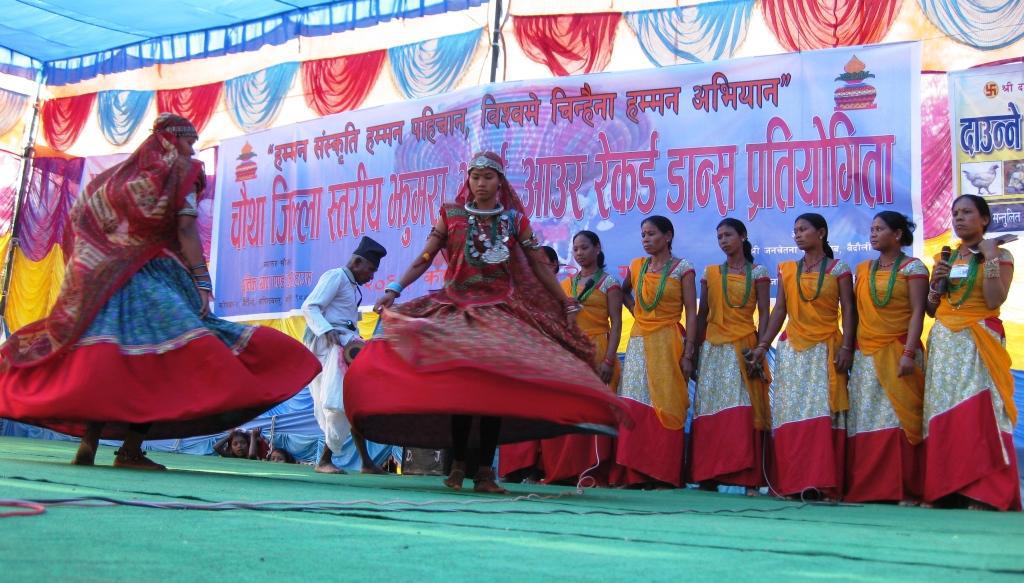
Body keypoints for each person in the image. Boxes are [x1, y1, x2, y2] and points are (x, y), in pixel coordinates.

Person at [0, 114, 320, 470]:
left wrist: (100, 266)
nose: (193, 149)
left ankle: (88, 446)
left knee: (110, 361)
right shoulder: (181, 172)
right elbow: (185, 228)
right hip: (154, 280)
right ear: (177, 140)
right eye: (190, 142)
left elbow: (82, 220)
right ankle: (130, 450)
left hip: (108, 285)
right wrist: (201, 279)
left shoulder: (118, 180)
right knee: (165, 362)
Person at [346, 151, 627, 494]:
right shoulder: (451, 215)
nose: (481, 183)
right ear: (469, 180)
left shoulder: (512, 220)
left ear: (500, 182)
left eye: (488, 177)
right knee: (463, 387)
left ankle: (483, 472)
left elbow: (538, 264)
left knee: (494, 390)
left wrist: (564, 300)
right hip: (456, 308)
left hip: (499, 312)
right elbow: (425, 256)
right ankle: (458, 465)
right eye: (475, 177)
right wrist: (393, 289)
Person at [922, 195, 1020, 511]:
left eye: (967, 212)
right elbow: (931, 310)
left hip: (980, 340)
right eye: (955, 213)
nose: (959, 218)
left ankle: (986, 493)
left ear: (985, 219)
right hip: (946, 344)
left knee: (981, 414)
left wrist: (989, 258)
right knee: (946, 416)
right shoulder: (946, 258)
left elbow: (994, 300)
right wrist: (936, 286)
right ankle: (947, 489)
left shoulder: (1000, 254)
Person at [748, 213, 854, 499]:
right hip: (793, 350)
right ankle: (791, 483)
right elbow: (780, 309)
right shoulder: (787, 270)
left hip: (826, 350)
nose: (797, 235)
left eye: (803, 229)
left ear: (821, 233)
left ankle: (822, 484)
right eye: (794, 230)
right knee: (791, 413)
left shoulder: (839, 269)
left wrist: (847, 348)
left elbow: (849, 311)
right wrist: (762, 345)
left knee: (822, 413)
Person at [845, 212, 928, 504]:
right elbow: (854, 313)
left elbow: (919, 311)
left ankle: (905, 489)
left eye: (879, 229)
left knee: (900, 417)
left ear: (897, 234)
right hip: (866, 354)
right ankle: (869, 489)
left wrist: (907, 352)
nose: (873, 234)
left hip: (899, 351)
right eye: (871, 229)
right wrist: (849, 348)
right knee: (865, 418)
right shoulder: (863, 269)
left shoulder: (913, 267)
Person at [613, 216, 696, 488]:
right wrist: (638, 313)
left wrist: (689, 353)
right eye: (643, 235)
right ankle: (634, 474)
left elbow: (692, 314)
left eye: (651, 234)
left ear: (668, 236)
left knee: (667, 402)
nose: (646, 239)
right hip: (638, 342)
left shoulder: (683, 268)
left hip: (669, 341)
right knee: (636, 402)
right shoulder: (638, 266)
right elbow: (622, 293)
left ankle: (663, 474)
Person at [691, 218, 771, 495]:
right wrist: (693, 351)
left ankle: (749, 480)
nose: (723, 240)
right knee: (710, 410)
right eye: (719, 237)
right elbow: (702, 315)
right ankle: (708, 476)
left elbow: (765, 313)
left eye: (728, 235)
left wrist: (760, 349)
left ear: (743, 236)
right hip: (713, 349)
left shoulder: (758, 272)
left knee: (743, 410)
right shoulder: (711, 272)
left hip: (744, 349)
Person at [541, 232, 623, 485]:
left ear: (597, 248)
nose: (579, 253)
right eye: (575, 249)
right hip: (573, 352)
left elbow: (617, 323)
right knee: (570, 412)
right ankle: (565, 470)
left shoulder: (610, 283)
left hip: (598, 349)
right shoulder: (566, 285)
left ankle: (593, 472)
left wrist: (609, 360)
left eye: (584, 248)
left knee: (595, 412)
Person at [302, 236, 386, 475]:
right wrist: (327, 330)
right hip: (329, 347)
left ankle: (366, 462)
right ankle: (324, 461)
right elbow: (310, 306)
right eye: (370, 269)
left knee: (353, 398)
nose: (371, 276)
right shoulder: (336, 276)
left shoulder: (350, 285)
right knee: (339, 401)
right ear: (357, 262)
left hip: (343, 345)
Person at [498, 245, 560, 483]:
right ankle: (514, 468)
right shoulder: (519, 292)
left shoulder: (561, 293)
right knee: (517, 413)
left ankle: (537, 469)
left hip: (549, 362)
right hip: (521, 359)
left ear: (554, 266)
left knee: (542, 416)